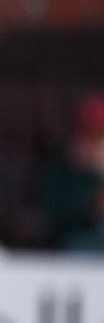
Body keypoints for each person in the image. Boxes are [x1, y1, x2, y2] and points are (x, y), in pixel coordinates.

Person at [39, 93, 104, 252]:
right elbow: (50, 208)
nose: (93, 139)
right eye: (89, 132)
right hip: (79, 240)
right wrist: (87, 202)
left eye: (98, 133)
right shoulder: (65, 167)